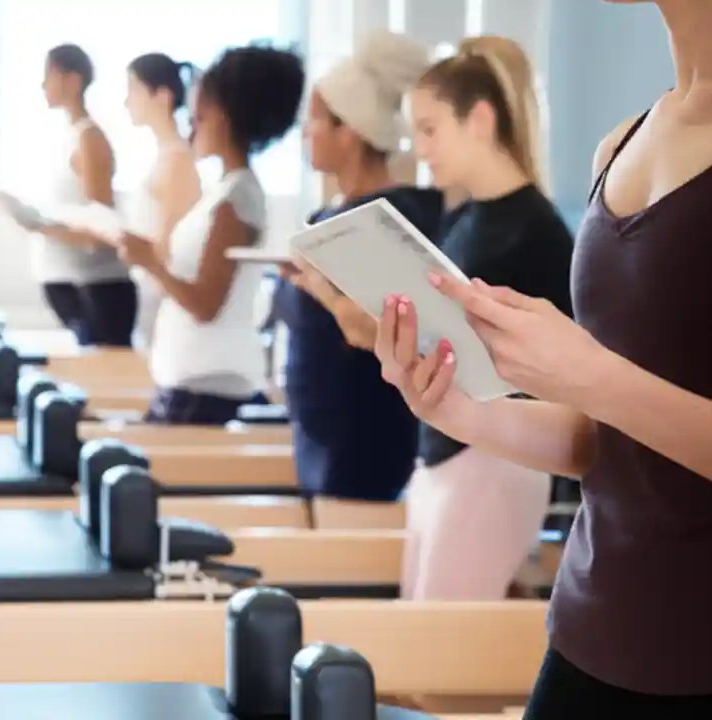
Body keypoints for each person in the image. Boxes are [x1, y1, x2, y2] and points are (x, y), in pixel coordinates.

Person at [369, 1, 712, 715]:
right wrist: (465, 411)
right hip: (589, 642)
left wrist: (593, 375)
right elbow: (615, 443)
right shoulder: (620, 144)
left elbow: (616, 395)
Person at [295, 36, 573, 599]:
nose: (420, 150)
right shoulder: (467, 220)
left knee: (443, 653)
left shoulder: (534, 231)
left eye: (429, 129)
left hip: (495, 458)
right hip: (444, 452)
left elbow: (550, 371)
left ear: (481, 119)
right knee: (423, 642)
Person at [277, 30, 441, 503]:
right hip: (316, 429)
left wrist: (319, 291)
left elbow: (377, 327)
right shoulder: (327, 216)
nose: (306, 134)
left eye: (314, 123)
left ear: (349, 130)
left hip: (362, 434)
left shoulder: (386, 219)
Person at [118, 45, 304, 424]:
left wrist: (150, 262)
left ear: (223, 116)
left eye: (199, 118)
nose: (192, 128)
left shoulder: (238, 198)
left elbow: (206, 303)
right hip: (190, 377)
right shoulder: (225, 191)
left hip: (208, 384)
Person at [26, 44, 137, 347]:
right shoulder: (66, 136)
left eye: (49, 76)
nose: (43, 85)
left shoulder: (89, 138)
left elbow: (101, 225)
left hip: (98, 289)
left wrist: (40, 226)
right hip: (72, 286)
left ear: (72, 80)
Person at [122, 53, 202, 353]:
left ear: (162, 96)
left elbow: (170, 246)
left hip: (160, 295)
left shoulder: (178, 160)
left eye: (133, 89)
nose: (127, 101)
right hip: (148, 290)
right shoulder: (165, 156)